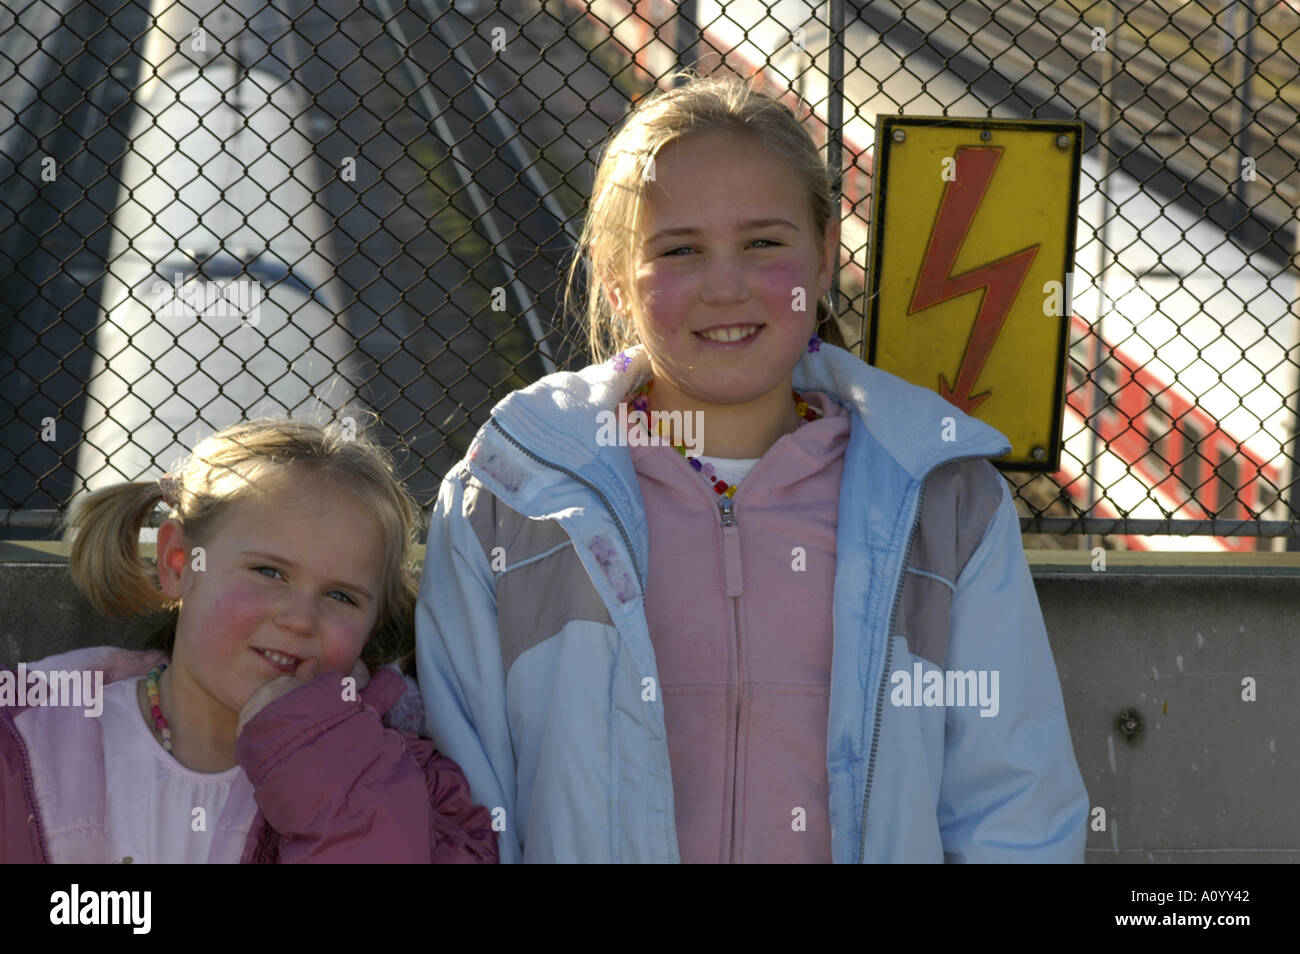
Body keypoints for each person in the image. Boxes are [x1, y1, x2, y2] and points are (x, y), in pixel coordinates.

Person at [416, 71, 1088, 862]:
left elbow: (1015, 811)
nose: (726, 285)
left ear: (825, 253)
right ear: (614, 279)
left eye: (763, 243)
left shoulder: (942, 505)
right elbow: (466, 815)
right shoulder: (507, 500)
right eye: (680, 250)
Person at [1, 416, 498, 863]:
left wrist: (327, 771)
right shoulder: (27, 738)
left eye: (341, 596)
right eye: (268, 572)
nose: (300, 619)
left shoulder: (404, 782)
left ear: (374, 621)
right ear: (179, 565)